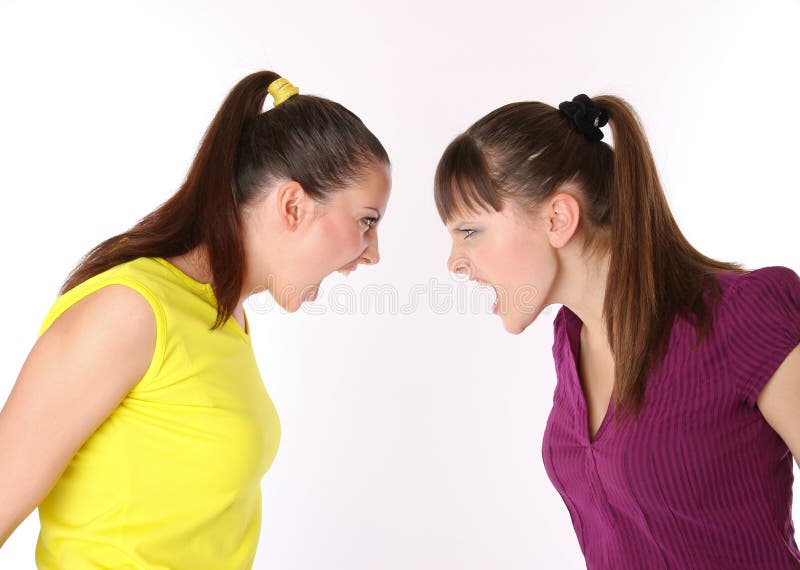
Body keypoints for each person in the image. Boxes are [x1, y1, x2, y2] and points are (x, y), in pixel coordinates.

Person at [0, 70, 391, 569]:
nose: (372, 253)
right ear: (292, 204)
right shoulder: (131, 309)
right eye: (366, 221)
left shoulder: (225, 319)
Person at [434, 93, 800, 568]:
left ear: (558, 218)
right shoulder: (569, 340)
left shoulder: (747, 314)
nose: (455, 262)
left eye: (469, 231)